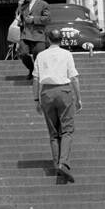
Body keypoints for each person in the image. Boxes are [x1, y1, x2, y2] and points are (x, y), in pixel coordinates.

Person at [33, 28, 82, 182]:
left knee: (53, 132)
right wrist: (79, 98)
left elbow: (35, 79)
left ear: (48, 39)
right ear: (61, 40)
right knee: (67, 130)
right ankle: (64, 163)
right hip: (64, 91)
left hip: (46, 93)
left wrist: (36, 100)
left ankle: (57, 164)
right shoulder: (67, 54)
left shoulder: (41, 55)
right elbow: (74, 77)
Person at [17, 0, 50, 80]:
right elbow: (20, 17)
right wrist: (19, 7)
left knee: (38, 54)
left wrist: (34, 19)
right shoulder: (25, 6)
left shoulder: (43, 4)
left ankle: (37, 73)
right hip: (26, 34)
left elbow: (47, 19)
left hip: (38, 34)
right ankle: (31, 69)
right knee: (22, 53)